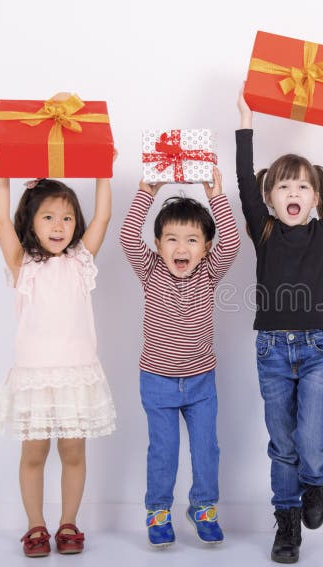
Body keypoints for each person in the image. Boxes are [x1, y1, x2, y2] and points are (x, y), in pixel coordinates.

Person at [236, 85, 323, 564]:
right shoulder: (263, 230)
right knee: (281, 443)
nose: (293, 192)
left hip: (317, 349)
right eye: (284, 186)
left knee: (310, 441)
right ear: (269, 198)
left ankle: (316, 481)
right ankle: (286, 523)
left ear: (315, 199)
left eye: (303, 186)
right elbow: (244, 180)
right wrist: (246, 122)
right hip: (270, 349)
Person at [0, 142, 117, 557]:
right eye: (48, 217)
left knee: (73, 451)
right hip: (35, 376)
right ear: (32, 221)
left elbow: (104, 216)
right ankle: (36, 526)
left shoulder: (81, 260)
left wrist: (103, 170)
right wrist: (2, 171)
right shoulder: (22, 262)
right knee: (34, 453)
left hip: (77, 375)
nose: (59, 225)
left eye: (66, 217)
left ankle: (68, 524)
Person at [120, 166, 240, 548]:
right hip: (156, 380)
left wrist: (215, 194)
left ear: (205, 247)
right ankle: (158, 511)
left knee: (207, 448)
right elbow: (126, 237)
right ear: (157, 244)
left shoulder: (208, 271)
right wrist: (146, 192)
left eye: (191, 240)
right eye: (171, 239)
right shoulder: (151, 270)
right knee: (164, 451)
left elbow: (233, 242)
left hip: (201, 381)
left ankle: (203, 507)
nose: (181, 248)